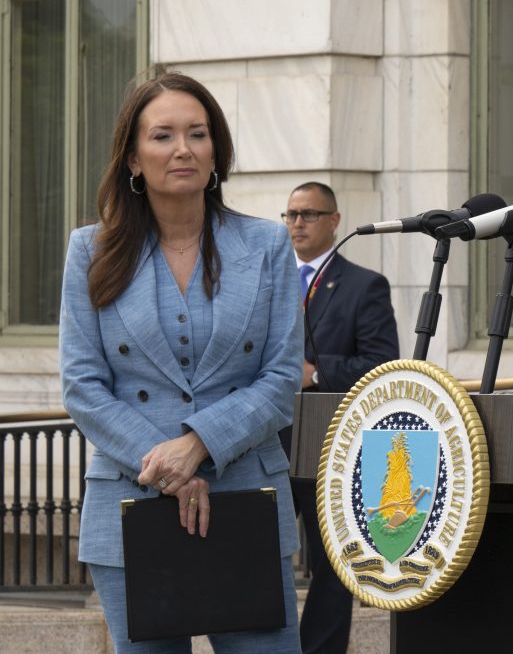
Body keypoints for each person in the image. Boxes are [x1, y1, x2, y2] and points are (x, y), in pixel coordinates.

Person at [59, 70, 303, 652]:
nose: (183, 149)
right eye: (163, 136)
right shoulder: (89, 250)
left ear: (216, 151)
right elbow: (82, 385)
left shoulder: (267, 245)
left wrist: (196, 444)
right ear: (134, 158)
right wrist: (165, 466)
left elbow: (281, 377)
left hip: (247, 495)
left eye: (197, 134)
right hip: (130, 499)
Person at [280, 181, 399, 654]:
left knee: (334, 564)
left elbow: (381, 362)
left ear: (334, 220)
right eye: (290, 215)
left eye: (308, 214)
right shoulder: (267, 281)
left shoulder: (362, 285)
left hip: (331, 445)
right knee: (261, 553)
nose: (297, 224)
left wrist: (316, 372)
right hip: (269, 439)